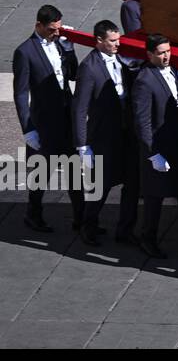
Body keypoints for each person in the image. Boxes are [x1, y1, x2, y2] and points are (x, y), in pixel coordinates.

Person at [12, 4, 81, 234]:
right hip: (44, 123)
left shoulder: (60, 44)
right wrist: (28, 128)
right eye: (52, 29)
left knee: (75, 171)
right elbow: (21, 93)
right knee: (41, 173)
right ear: (38, 26)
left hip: (66, 119)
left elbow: (73, 74)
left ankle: (81, 219)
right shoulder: (25, 52)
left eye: (59, 29)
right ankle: (33, 214)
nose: (57, 33)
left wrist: (69, 50)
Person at [132, 33, 178, 259]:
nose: (166, 56)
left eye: (168, 51)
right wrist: (153, 154)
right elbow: (142, 121)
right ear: (150, 54)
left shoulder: (171, 71)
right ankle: (147, 238)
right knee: (155, 196)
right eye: (161, 53)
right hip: (159, 148)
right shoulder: (144, 80)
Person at [73, 20, 138, 247]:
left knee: (132, 182)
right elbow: (80, 108)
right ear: (99, 40)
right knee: (100, 185)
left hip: (125, 132)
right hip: (104, 136)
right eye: (112, 41)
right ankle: (87, 225)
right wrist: (82, 145)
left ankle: (125, 229)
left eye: (118, 39)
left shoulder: (121, 59)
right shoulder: (89, 67)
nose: (117, 44)